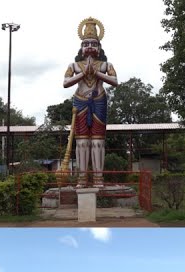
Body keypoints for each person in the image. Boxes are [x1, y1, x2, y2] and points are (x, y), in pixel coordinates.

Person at [63, 17, 119, 187]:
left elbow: (115, 81)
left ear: (99, 47)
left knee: (97, 141)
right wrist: (83, 73)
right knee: (81, 142)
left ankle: (98, 178)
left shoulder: (105, 64)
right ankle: (81, 178)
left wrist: (96, 73)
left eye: (93, 44)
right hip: (80, 103)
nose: (89, 47)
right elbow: (65, 82)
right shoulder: (74, 65)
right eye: (86, 43)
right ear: (81, 48)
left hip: (99, 101)